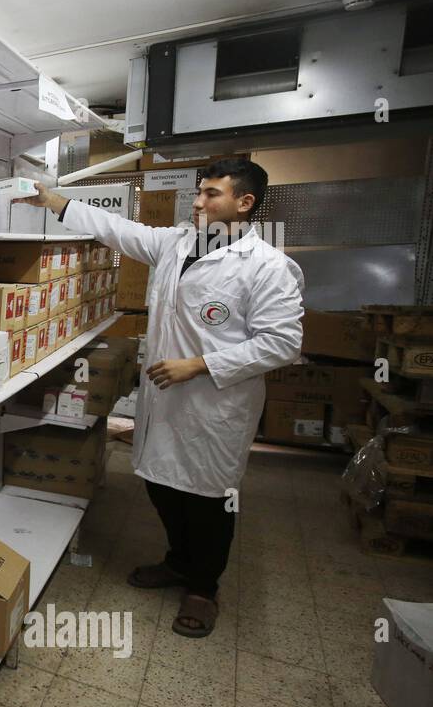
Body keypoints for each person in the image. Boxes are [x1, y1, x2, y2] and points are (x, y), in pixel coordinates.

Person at [16, 158, 303, 638]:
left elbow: (282, 343)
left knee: (208, 499)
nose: (197, 201)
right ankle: (177, 561)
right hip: (164, 397)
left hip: (216, 405)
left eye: (212, 194)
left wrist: (201, 365)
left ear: (245, 203)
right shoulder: (176, 243)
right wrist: (50, 200)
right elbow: (116, 227)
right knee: (162, 485)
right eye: (199, 191)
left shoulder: (269, 268)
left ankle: (203, 588)